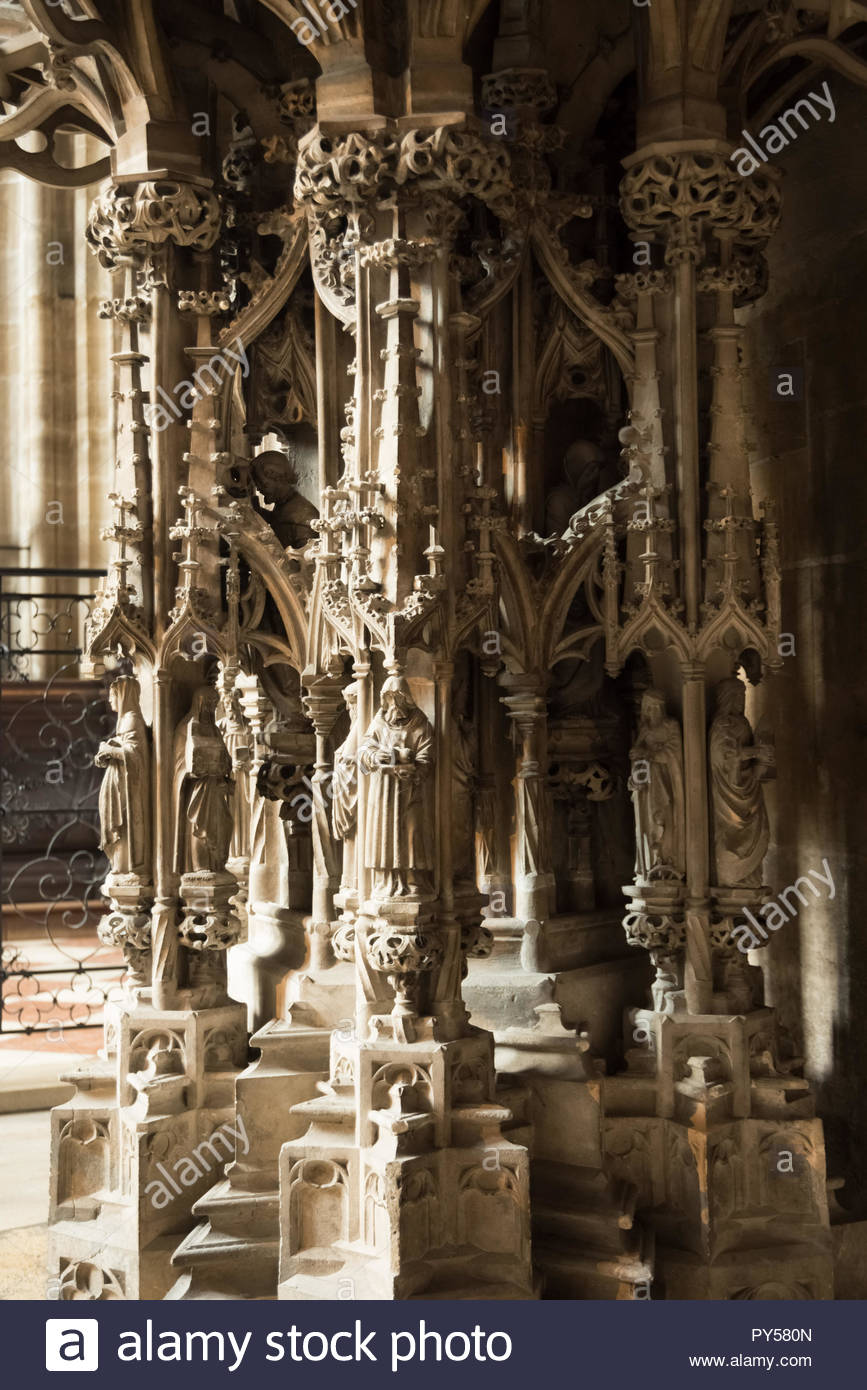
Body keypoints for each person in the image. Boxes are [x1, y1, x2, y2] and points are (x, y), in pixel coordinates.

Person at [359, 676, 434, 898]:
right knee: (383, 835)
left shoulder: (421, 725)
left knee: (412, 834)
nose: (394, 704)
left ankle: (413, 882)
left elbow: (426, 759)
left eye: (399, 698)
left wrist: (411, 768)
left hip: (410, 791)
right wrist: (375, 756)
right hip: (382, 792)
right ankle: (385, 883)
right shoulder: (378, 724)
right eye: (389, 698)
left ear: (408, 699)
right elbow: (362, 755)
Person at [95, 676, 151, 878]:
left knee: (125, 827)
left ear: (123, 695)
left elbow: (136, 755)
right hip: (120, 783)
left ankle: (127, 865)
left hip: (128, 787)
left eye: (113, 696)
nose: (110, 700)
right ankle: (120, 864)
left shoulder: (132, 720)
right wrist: (111, 747)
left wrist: (111, 749)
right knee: (121, 828)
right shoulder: (126, 719)